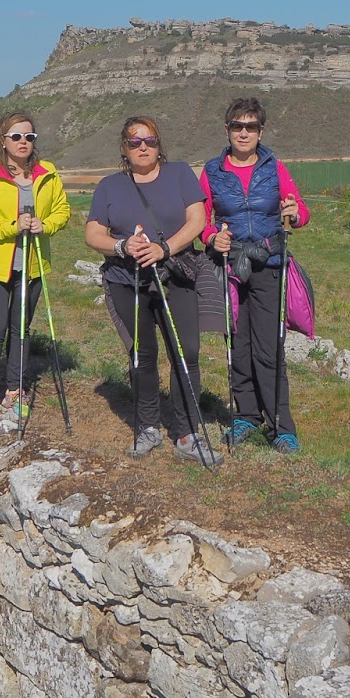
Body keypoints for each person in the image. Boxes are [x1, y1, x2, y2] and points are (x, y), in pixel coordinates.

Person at [85, 116, 221, 465]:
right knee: (142, 355)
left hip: (175, 277)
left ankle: (188, 432)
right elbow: (93, 234)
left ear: (160, 144)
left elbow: (197, 221)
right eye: (135, 142)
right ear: (124, 148)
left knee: (186, 352)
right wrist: (121, 246)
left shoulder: (179, 174)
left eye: (150, 140)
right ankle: (147, 426)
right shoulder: (109, 186)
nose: (143, 147)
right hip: (126, 281)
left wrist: (165, 249)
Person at [200, 97, 310, 453]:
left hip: (268, 264)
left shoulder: (273, 167)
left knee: (268, 346)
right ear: (227, 129)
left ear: (261, 131)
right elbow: (200, 219)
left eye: (251, 126)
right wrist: (212, 237)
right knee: (237, 343)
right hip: (229, 266)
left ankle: (281, 426)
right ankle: (246, 415)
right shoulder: (212, 171)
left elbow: (300, 212)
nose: (243, 132)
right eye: (237, 125)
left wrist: (296, 211)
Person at [0, 110, 70, 428]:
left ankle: (15, 390)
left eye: (29, 136)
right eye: (16, 136)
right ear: (3, 140)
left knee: (20, 329)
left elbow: (62, 210)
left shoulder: (47, 173)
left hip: (32, 265)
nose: (23, 142)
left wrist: (45, 224)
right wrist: (13, 226)